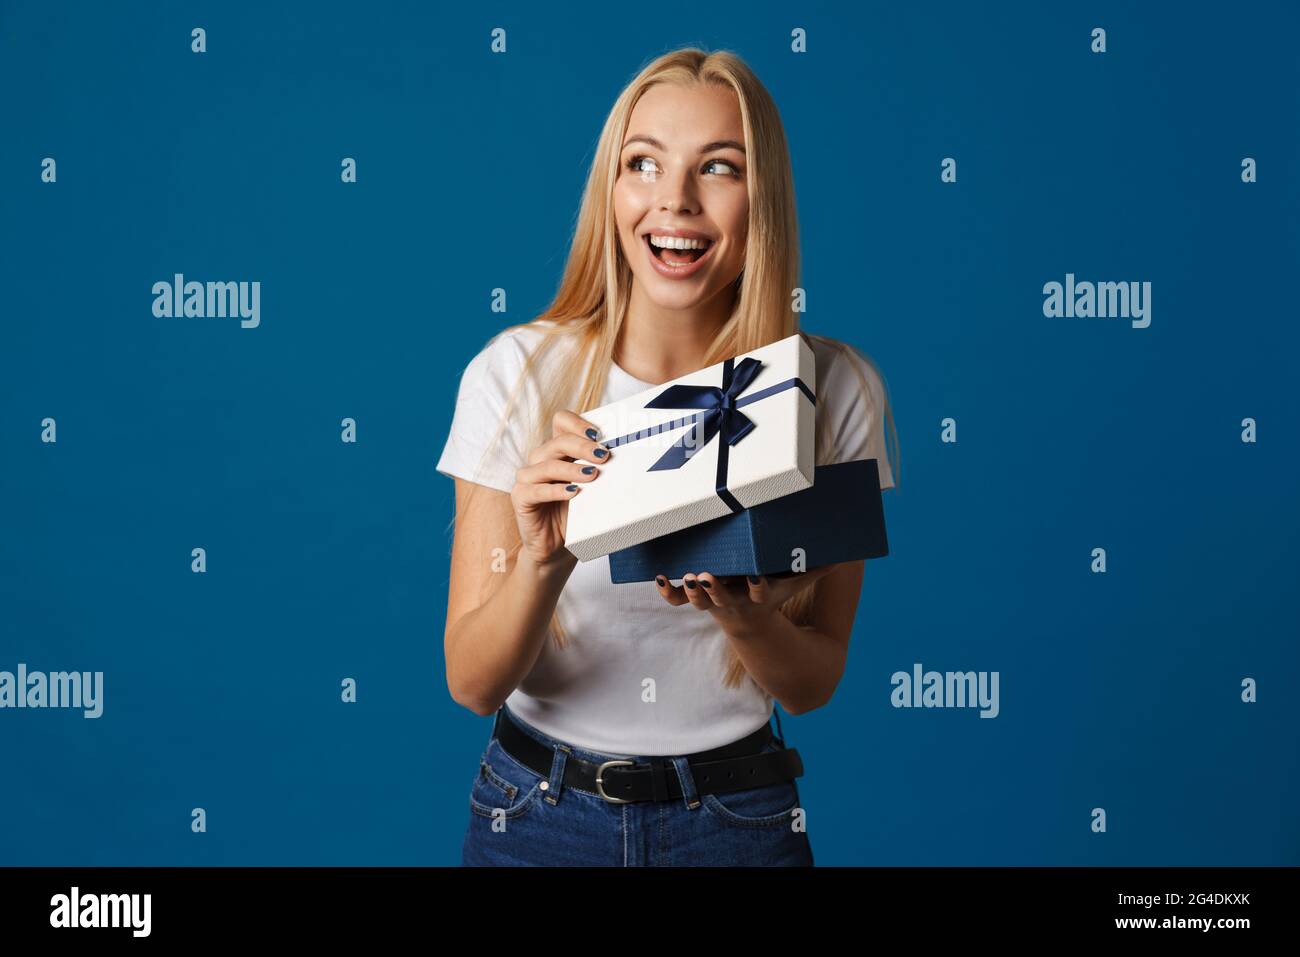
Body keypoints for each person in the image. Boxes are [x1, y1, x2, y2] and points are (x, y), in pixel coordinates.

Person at [435, 47, 898, 866]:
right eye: (642, 163)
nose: (673, 200)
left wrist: (744, 614)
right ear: (611, 190)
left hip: (735, 816)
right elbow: (471, 683)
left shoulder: (834, 390)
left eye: (717, 168)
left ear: (764, 198)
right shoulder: (515, 374)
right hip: (536, 812)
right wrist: (543, 558)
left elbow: (813, 683)